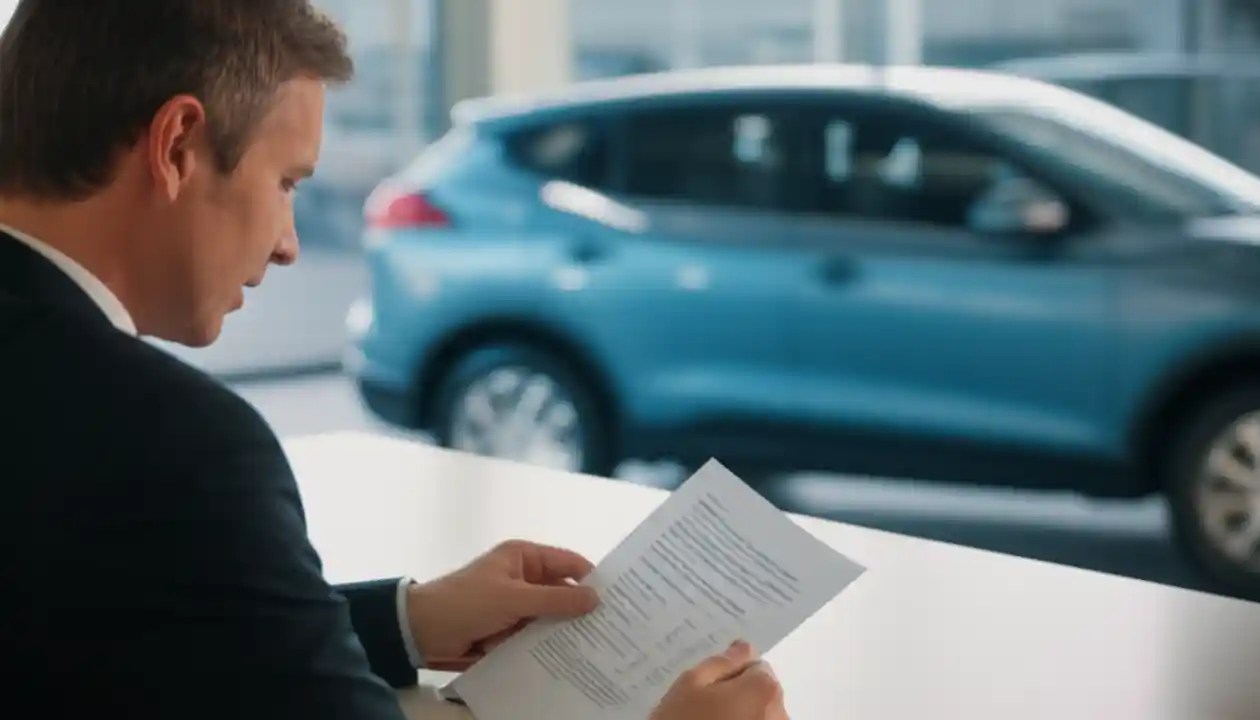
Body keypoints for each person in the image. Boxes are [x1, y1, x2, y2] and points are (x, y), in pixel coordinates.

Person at [0, 1, 789, 719]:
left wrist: (411, 620)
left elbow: (133, 620)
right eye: (286, 182)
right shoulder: (176, 444)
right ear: (176, 146)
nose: (288, 243)